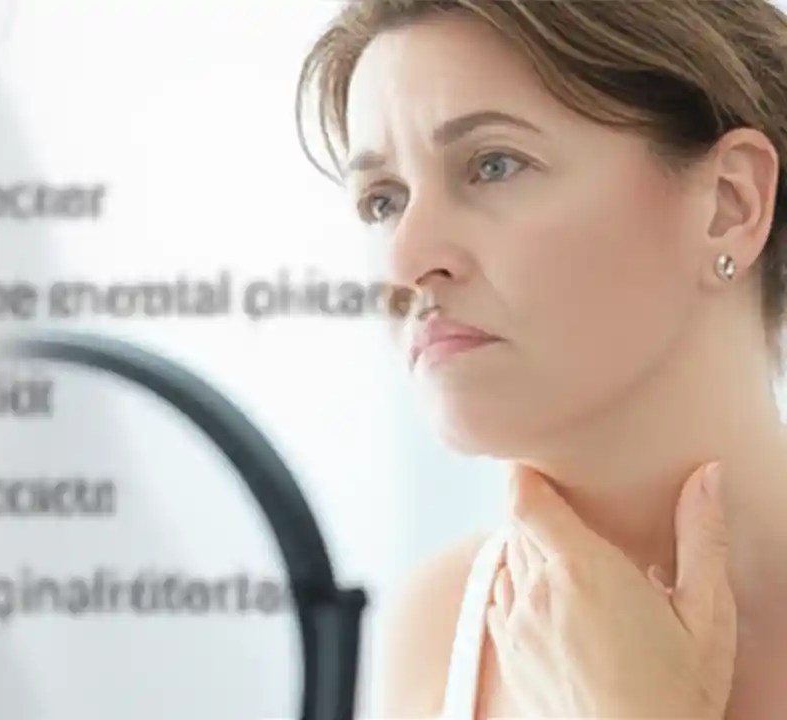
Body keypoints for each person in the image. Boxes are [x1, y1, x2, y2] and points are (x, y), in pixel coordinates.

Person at [296, 1, 787, 717]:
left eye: (492, 166)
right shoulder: (440, 629)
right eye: (382, 201)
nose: (406, 260)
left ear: (728, 204)